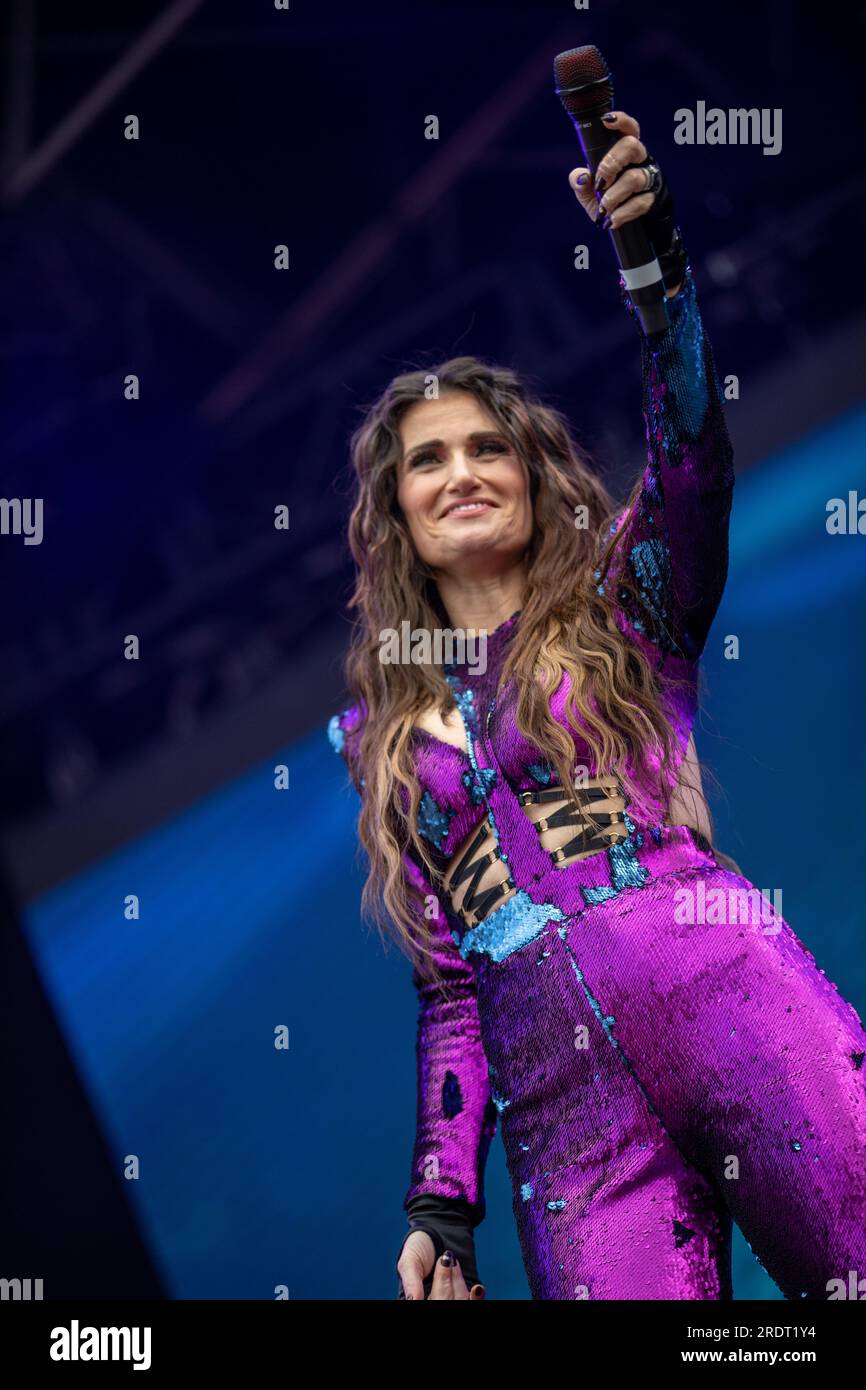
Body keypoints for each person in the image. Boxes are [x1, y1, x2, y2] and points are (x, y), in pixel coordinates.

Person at [328, 110, 866, 1300]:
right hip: (563, 1121)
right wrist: (440, 1206)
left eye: (486, 447)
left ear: (531, 476)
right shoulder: (379, 743)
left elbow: (690, 453)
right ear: (395, 511)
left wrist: (653, 270)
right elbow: (450, 988)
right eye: (426, 458)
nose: (461, 472)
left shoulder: (625, 603)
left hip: (730, 997)